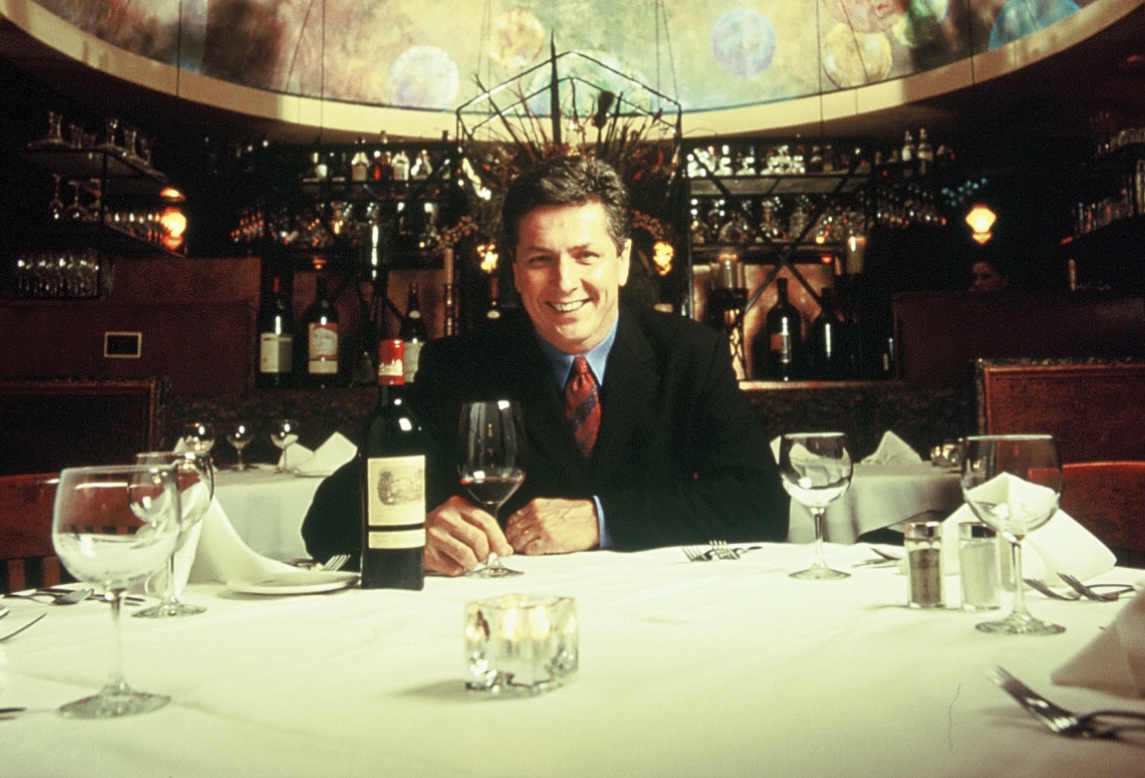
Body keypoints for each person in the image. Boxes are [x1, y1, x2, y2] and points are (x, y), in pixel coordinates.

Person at [302, 155, 788, 575]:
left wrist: (602, 519)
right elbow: (327, 519)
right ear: (514, 271)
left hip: (664, 620)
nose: (564, 282)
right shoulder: (457, 367)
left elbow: (760, 506)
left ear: (621, 262)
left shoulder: (691, 355)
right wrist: (414, 529)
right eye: (540, 260)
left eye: (586, 256)